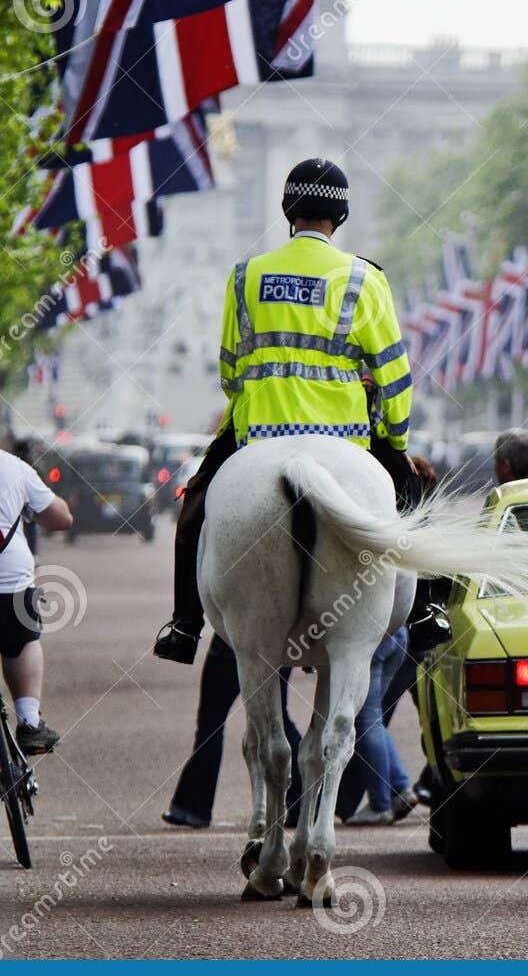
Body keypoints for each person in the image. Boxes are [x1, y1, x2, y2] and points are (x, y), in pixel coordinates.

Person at [152, 158, 416, 664]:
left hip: (257, 432)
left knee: (194, 509)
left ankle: (184, 623)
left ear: (286, 209)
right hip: (347, 435)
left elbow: (230, 369)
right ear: (339, 216)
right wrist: (394, 441)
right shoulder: (365, 278)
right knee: (413, 500)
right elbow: (393, 375)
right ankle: (427, 612)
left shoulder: (245, 276)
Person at [162, 637, 304, 829]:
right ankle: (306, 802)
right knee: (278, 719)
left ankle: (185, 627)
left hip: (232, 642)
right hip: (285, 642)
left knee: (211, 723)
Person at [0, 446, 73, 754]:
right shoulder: (13, 467)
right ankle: (30, 721)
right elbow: (61, 519)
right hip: (9, 584)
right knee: (23, 641)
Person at [344, 628, 418, 825]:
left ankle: (380, 805)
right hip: (398, 634)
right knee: (373, 719)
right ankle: (400, 787)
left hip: (374, 638)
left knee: (366, 721)